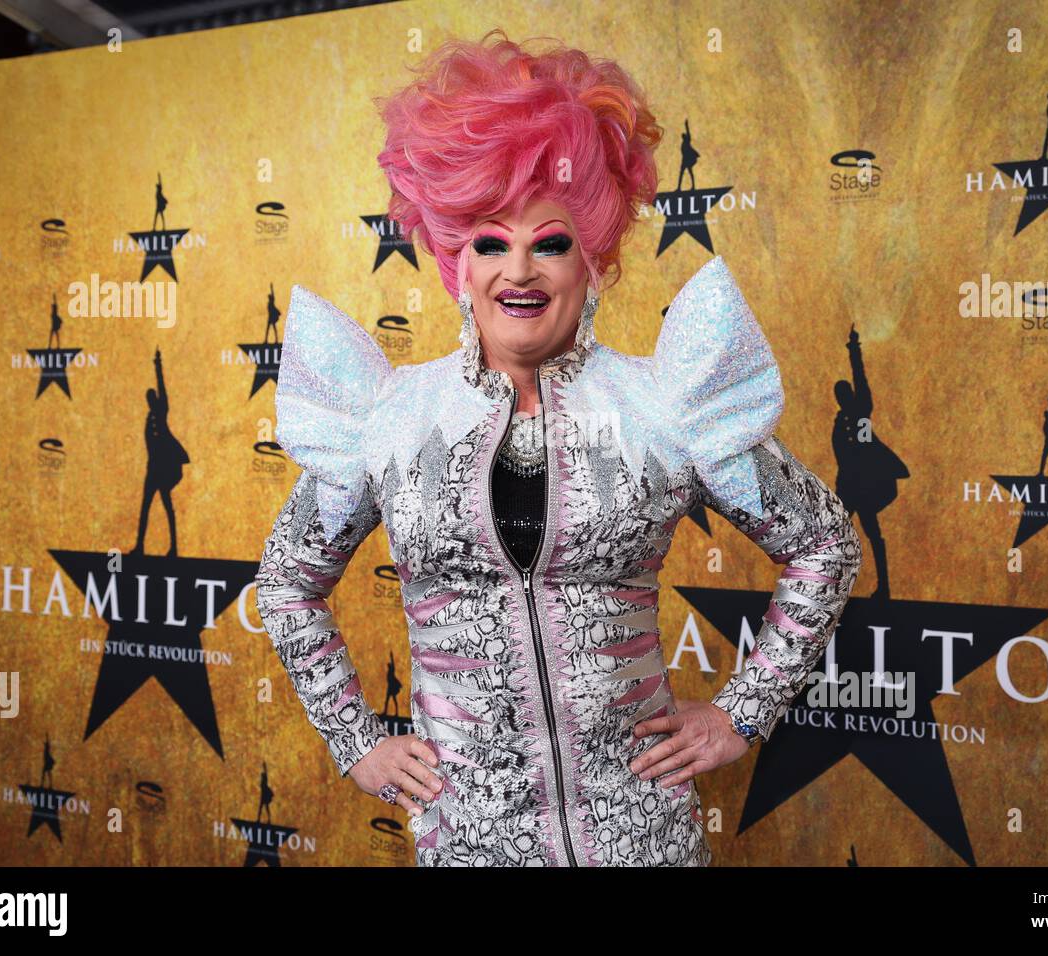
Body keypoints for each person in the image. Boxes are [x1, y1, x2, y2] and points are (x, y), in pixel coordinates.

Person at [253, 28, 862, 867]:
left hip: (643, 840)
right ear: (454, 264)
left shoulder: (665, 406)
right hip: (467, 843)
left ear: (594, 259)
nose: (520, 271)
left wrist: (741, 711)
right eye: (490, 244)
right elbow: (288, 583)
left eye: (550, 242)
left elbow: (825, 545)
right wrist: (355, 740)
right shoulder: (389, 419)